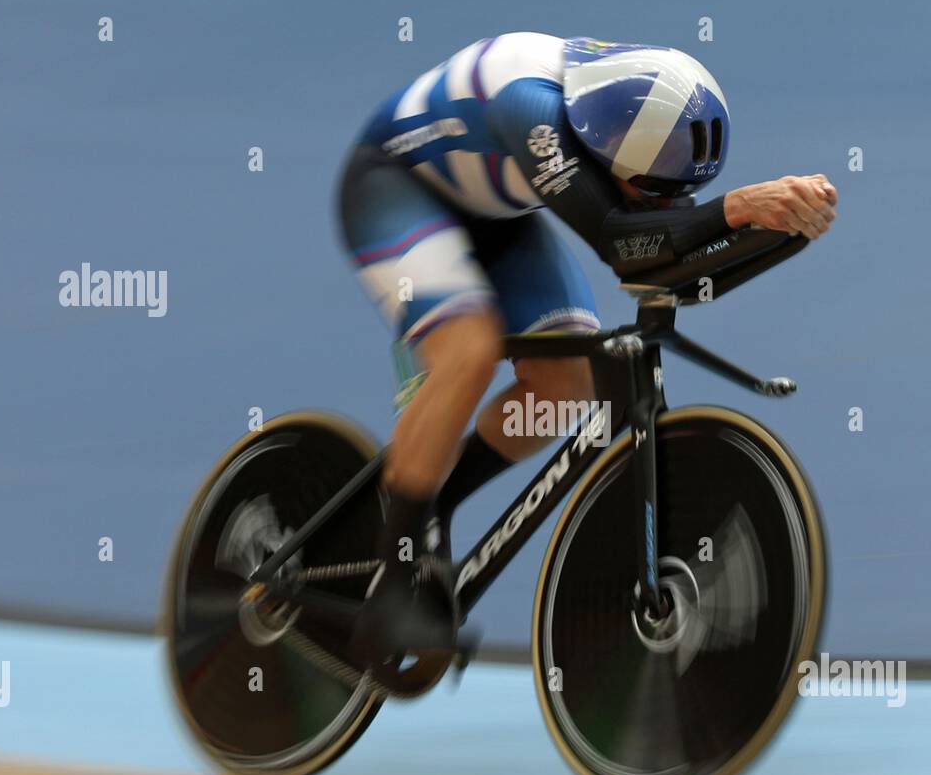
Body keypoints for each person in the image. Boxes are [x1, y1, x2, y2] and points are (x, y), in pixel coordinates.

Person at [336, 33, 837, 664]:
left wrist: (775, 224)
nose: (666, 204)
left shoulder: (617, 112)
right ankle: (393, 570)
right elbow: (621, 242)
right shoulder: (531, 109)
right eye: (651, 189)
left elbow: (659, 255)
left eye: (675, 192)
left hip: (492, 207)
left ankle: (434, 499)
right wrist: (736, 208)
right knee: (467, 351)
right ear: (599, 146)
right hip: (394, 189)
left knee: (566, 382)